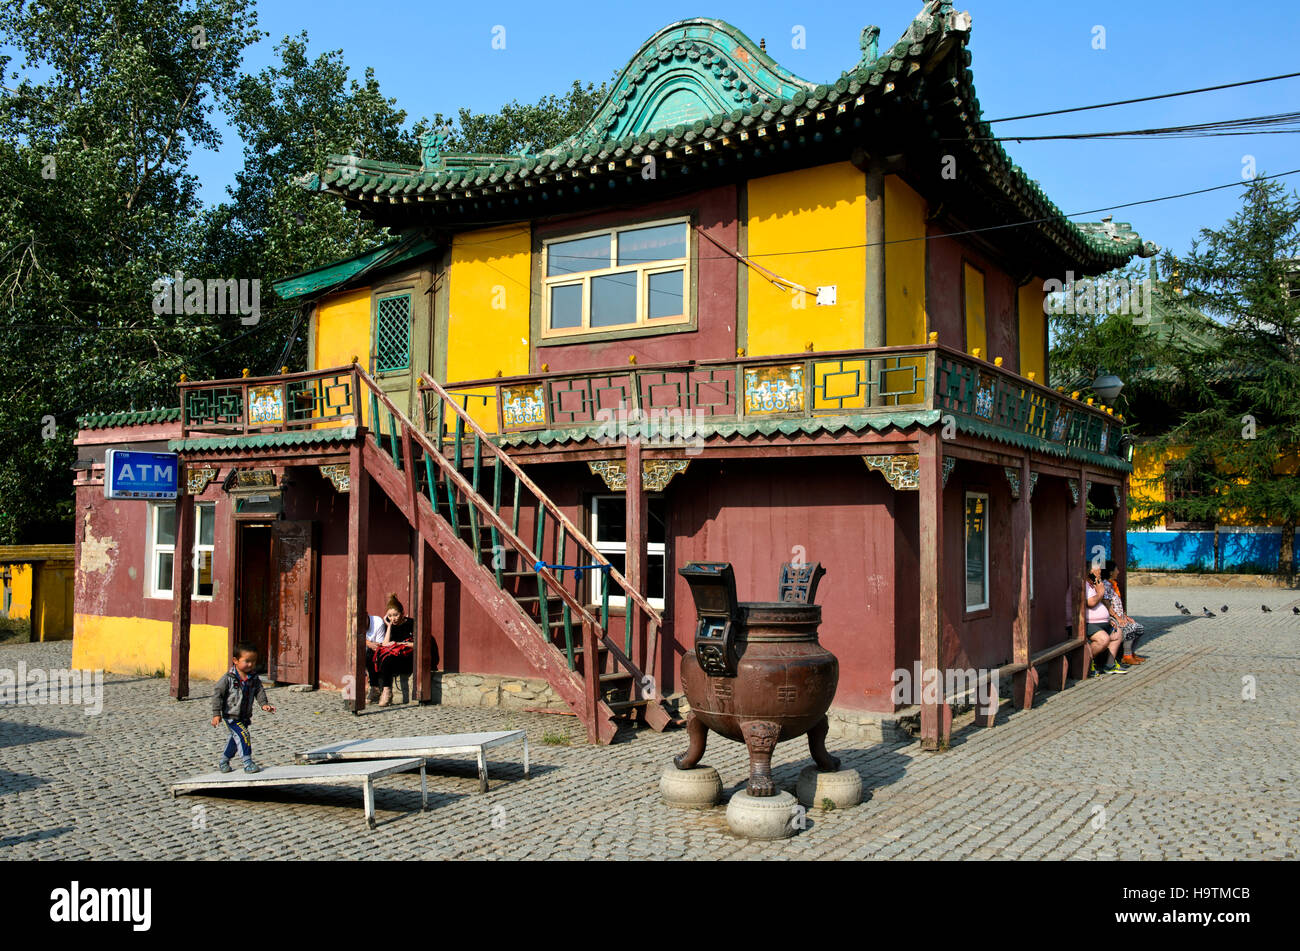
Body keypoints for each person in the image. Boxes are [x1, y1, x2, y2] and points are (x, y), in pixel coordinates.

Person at [211, 643, 275, 773]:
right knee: (244, 735)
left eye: (253, 661)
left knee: (235, 740)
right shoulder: (228, 678)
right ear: (235, 660)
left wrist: (264, 704)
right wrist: (216, 714)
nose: (251, 665)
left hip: (245, 716)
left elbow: (259, 691)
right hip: (231, 716)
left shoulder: (253, 678)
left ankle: (224, 761)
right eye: (247, 661)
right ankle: (247, 763)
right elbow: (217, 695)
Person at [367, 593, 415, 706]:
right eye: (390, 615)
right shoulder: (390, 625)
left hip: (407, 658)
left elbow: (418, 644)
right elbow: (384, 644)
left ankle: (387, 691)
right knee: (371, 654)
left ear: (402, 613)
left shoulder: (411, 623)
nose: (393, 618)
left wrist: (399, 643)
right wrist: (388, 626)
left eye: (396, 615)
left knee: (388, 659)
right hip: (393, 656)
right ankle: (376, 688)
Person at [1082, 563, 1126, 675]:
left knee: (1117, 634)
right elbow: (1091, 603)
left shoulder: (1094, 586)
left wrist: (1108, 618)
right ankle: (1086, 663)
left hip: (1100, 623)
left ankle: (1109, 665)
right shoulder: (1084, 586)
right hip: (1087, 623)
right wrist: (1101, 591)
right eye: (1098, 573)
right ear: (1090, 573)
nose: (1100, 575)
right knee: (1103, 639)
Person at [1101, 561, 1145, 665]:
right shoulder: (1106, 585)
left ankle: (1131, 652)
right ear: (1111, 572)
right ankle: (1127, 655)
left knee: (1139, 628)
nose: (1119, 572)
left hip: (1119, 617)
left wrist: (1125, 616)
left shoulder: (1113, 585)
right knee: (1131, 629)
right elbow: (1107, 604)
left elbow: (1118, 604)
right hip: (1112, 618)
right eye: (1117, 569)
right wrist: (1118, 618)